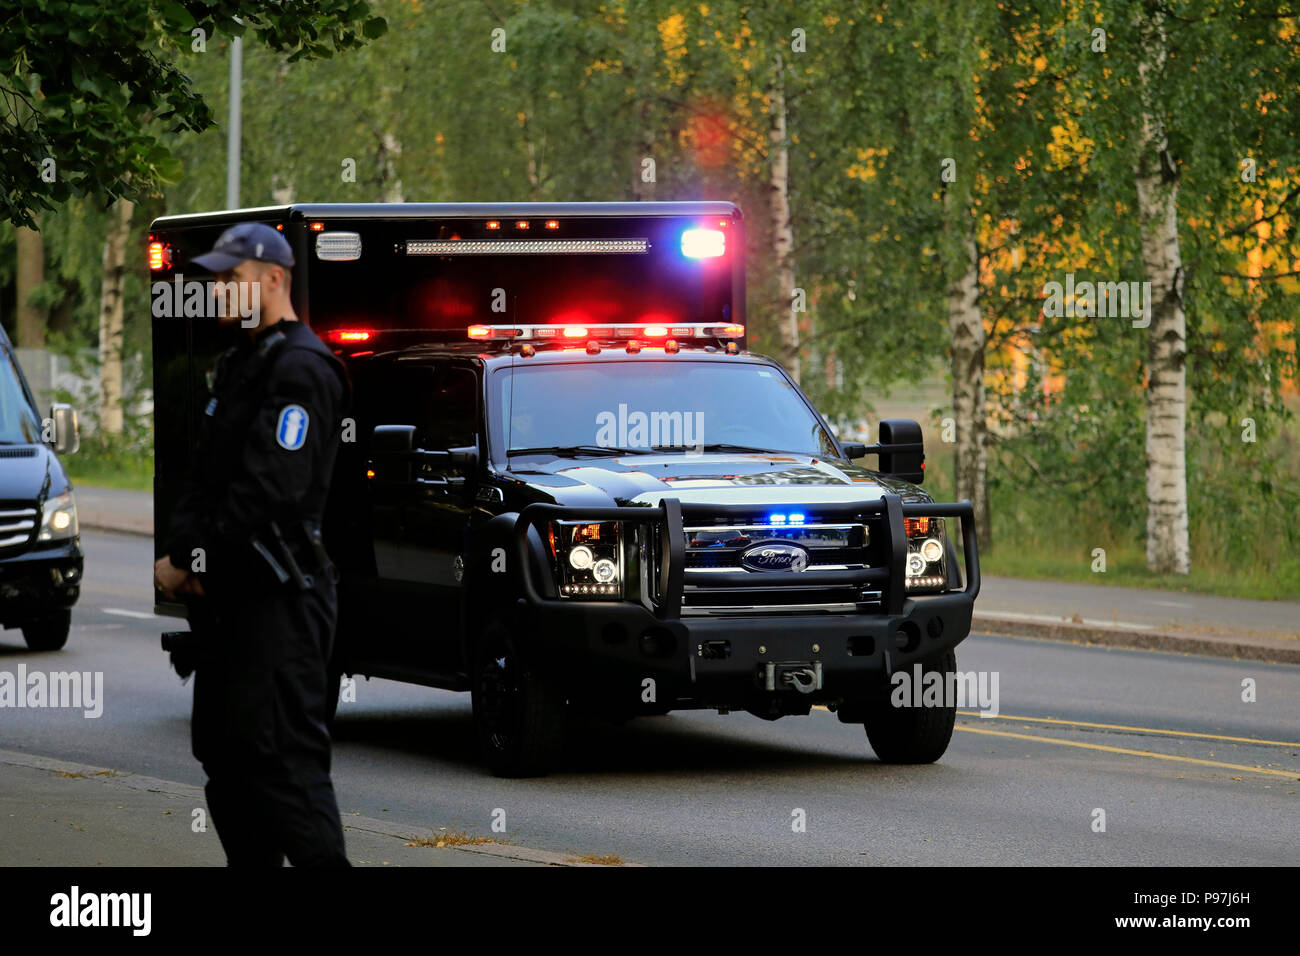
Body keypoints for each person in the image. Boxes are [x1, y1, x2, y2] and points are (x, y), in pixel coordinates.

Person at [153, 222, 351, 867]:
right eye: (214, 282)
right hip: (230, 606)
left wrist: (193, 562)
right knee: (226, 762)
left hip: (279, 602)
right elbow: (203, 478)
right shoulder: (242, 364)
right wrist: (184, 555)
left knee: (283, 769)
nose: (218, 293)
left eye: (230, 280)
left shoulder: (301, 368)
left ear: (274, 279)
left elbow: (272, 490)